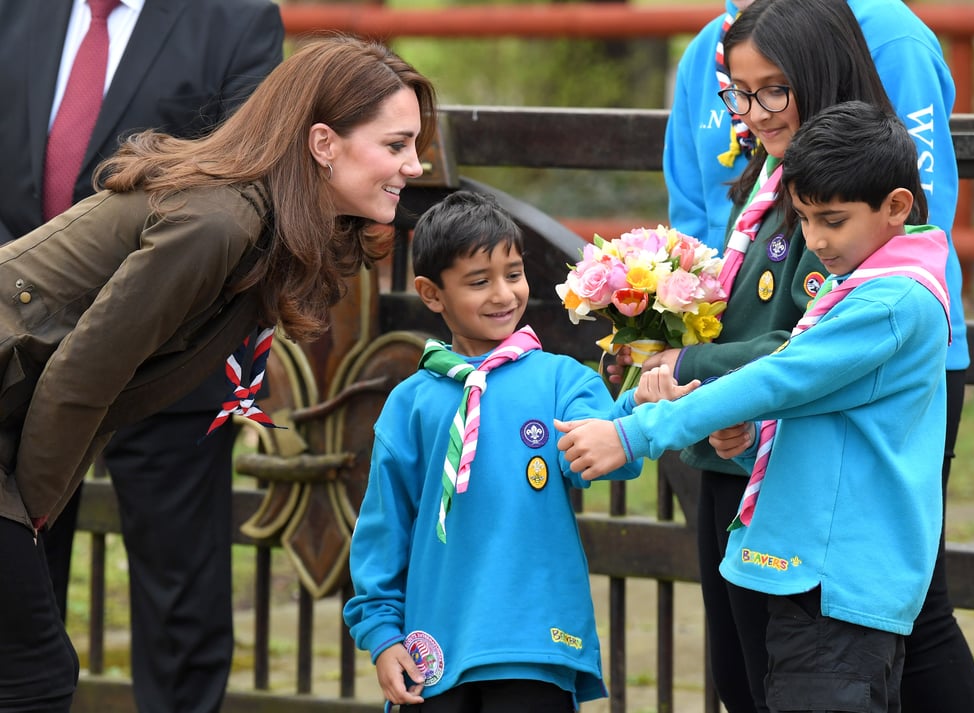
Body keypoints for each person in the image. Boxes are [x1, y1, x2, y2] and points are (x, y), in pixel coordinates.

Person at [0, 35, 437, 713]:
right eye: (396, 144)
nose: (416, 163)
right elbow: (81, 379)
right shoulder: (220, 221)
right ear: (324, 143)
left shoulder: (260, 229)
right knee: (33, 675)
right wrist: (31, 515)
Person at [627, 0, 974, 709]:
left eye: (769, 91)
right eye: (738, 92)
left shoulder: (850, 165)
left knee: (882, 627)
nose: (748, 111)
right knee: (745, 653)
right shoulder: (764, 163)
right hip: (743, 406)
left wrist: (686, 380)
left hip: (849, 396)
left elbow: (809, 347)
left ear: (814, 77)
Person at [560, 99, 952, 713]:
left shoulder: (891, 303)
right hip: (815, 576)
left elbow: (777, 378)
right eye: (804, 220)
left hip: (834, 585)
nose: (816, 240)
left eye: (832, 219)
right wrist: (746, 436)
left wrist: (637, 434)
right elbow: (828, 419)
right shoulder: (871, 286)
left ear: (896, 207)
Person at [0, 2, 284, 711]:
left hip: (164, 354)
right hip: (15, 351)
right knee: (17, 596)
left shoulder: (235, 19)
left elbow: (250, 168)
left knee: (180, 598)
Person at [342, 190, 645, 711]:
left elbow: (617, 453)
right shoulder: (409, 403)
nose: (503, 294)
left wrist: (639, 404)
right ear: (431, 294)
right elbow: (383, 527)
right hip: (434, 646)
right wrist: (382, 635)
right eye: (479, 281)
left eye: (514, 273)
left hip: (534, 642)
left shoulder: (561, 382)